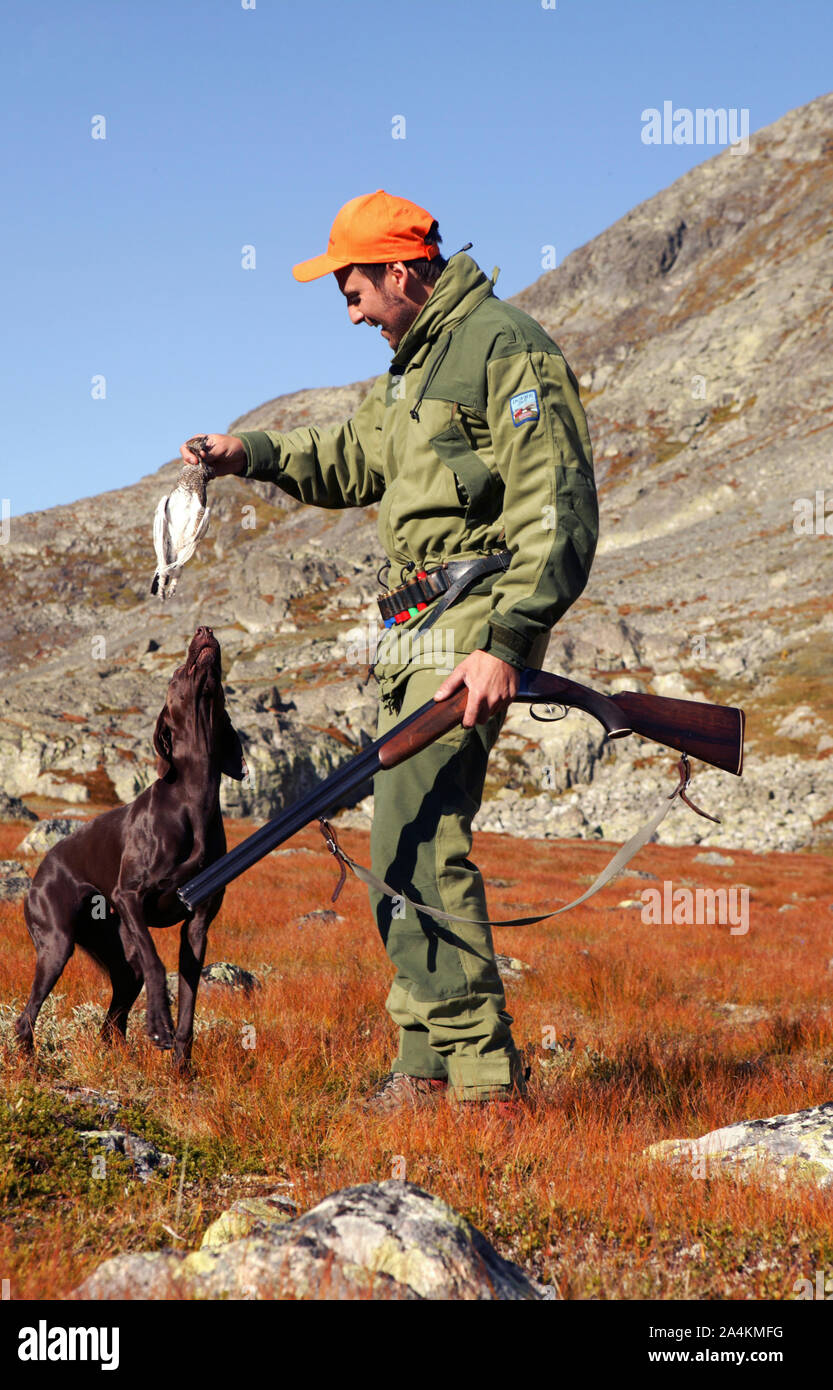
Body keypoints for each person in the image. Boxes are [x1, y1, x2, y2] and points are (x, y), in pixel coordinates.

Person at [180, 190, 598, 1111]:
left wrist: (505, 640)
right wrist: (246, 451)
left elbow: (556, 507)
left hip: (466, 628)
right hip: (411, 636)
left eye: (353, 289)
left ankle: (485, 1084)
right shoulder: (410, 371)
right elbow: (347, 458)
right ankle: (424, 1066)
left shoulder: (504, 348)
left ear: (402, 272)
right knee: (400, 847)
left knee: (425, 844)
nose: (349, 309)